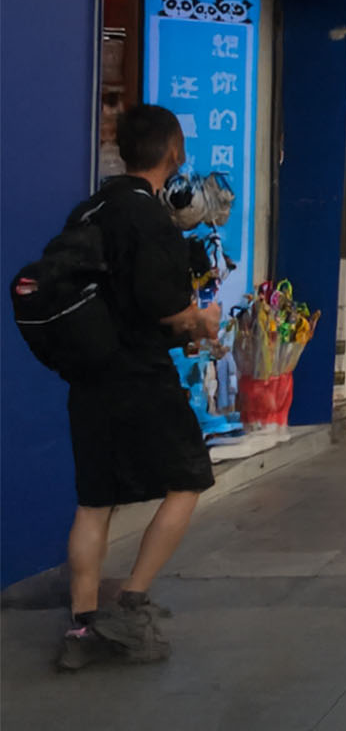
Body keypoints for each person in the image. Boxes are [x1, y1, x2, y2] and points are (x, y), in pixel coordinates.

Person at [55, 105, 221, 669]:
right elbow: (167, 310)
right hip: (141, 374)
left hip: (89, 374)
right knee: (189, 477)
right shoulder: (150, 219)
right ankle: (130, 600)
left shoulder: (89, 210)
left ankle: (81, 629)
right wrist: (204, 318)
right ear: (173, 150)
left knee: (94, 500)